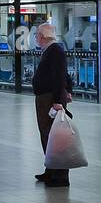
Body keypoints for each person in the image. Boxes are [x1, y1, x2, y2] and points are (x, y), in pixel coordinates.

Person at [31, 23, 72, 188]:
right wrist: (68, 89)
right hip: (45, 98)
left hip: (50, 99)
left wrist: (58, 101)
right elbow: (64, 74)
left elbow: (59, 75)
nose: (36, 38)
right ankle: (50, 169)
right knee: (47, 135)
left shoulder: (54, 51)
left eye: (36, 36)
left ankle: (60, 175)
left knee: (54, 137)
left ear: (41, 36)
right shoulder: (51, 50)